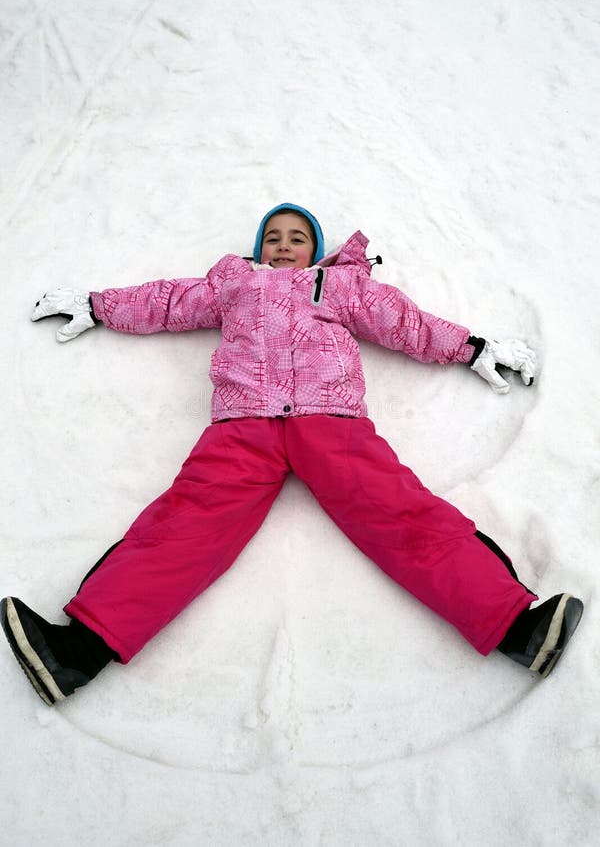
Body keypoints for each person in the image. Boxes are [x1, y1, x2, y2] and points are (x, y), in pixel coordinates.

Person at [1, 203, 584, 706]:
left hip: (331, 424)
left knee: (401, 516)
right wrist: (100, 305)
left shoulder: (344, 286)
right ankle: (75, 653)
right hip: (242, 428)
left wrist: (472, 346)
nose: (283, 246)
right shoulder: (232, 284)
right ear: (257, 249)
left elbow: (407, 324)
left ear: (316, 251)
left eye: (296, 238)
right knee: (184, 529)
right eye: (272, 237)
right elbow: (167, 302)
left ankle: (518, 628)